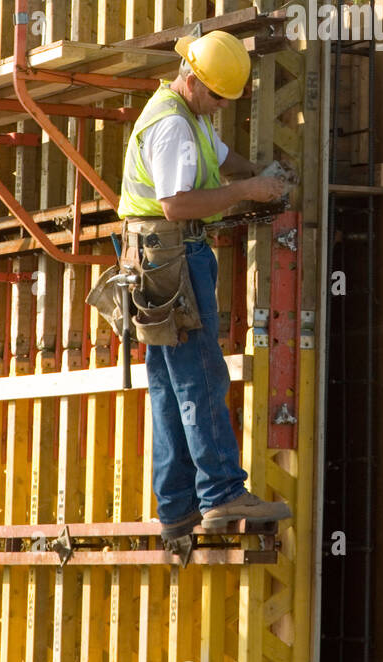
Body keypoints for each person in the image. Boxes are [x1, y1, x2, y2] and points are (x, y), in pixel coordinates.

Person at [116, 28, 291, 541]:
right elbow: (177, 203)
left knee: (171, 387)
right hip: (171, 253)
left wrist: (257, 172)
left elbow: (220, 155)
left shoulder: (183, 112)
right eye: (215, 96)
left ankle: (177, 507)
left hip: (152, 255)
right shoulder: (172, 125)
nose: (218, 107)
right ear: (191, 78)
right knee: (200, 376)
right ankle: (220, 494)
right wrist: (249, 191)